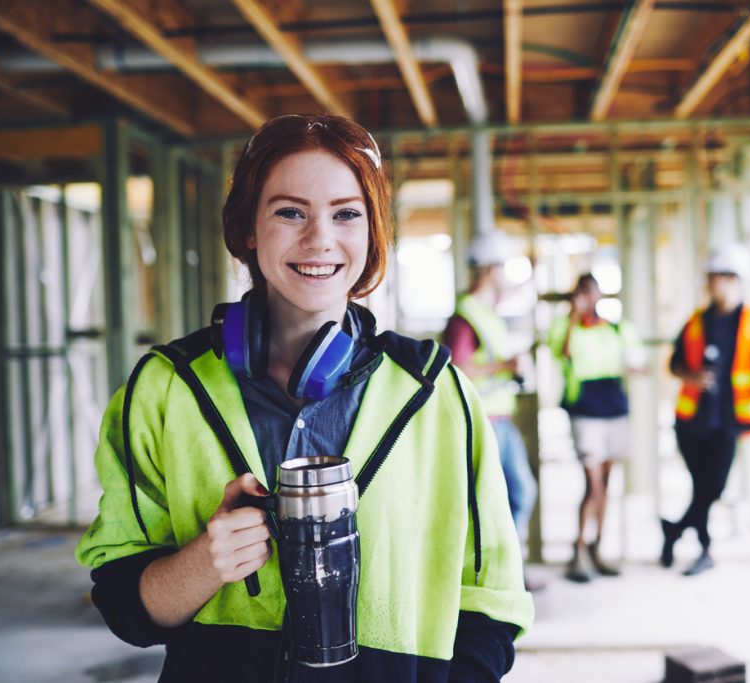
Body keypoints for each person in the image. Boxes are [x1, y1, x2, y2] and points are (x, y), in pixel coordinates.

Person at [76, 114, 533, 683]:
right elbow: (125, 608)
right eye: (290, 212)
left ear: (372, 234)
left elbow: (491, 608)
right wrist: (204, 563)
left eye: (346, 214)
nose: (320, 239)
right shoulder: (165, 388)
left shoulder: (435, 392)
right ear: (247, 228)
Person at [661, 242, 750, 577]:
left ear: (732, 279)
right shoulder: (698, 322)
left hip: (727, 424)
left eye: (715, 277)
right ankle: (702, 548)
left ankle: (678, 532)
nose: (710, 284)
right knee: (703, 489)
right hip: (691, 422)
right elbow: (674, 363)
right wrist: (692, 376)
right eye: (709, 277)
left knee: (711, 489)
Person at [442, 230, 539, 578]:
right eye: (503, 267)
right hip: (484, 422)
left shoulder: (486, 313)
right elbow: (456, 367)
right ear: (490, 270)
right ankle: (497, 572)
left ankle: (504, 569)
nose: (506, 276)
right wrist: (506, 366)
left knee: (517, 495)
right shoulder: (466, 316)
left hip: (498, 418)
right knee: (507, 498)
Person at [547, 273, 644, 583]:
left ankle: (598, 546)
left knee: (606, 482)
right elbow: (560, 351)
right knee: (594, 485)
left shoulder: (616, 328)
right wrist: (574, 315)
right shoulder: (566, 326)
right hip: (585, 412)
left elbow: (637, 360)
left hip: (614, 410)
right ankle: (580, 548)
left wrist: (637, 367)